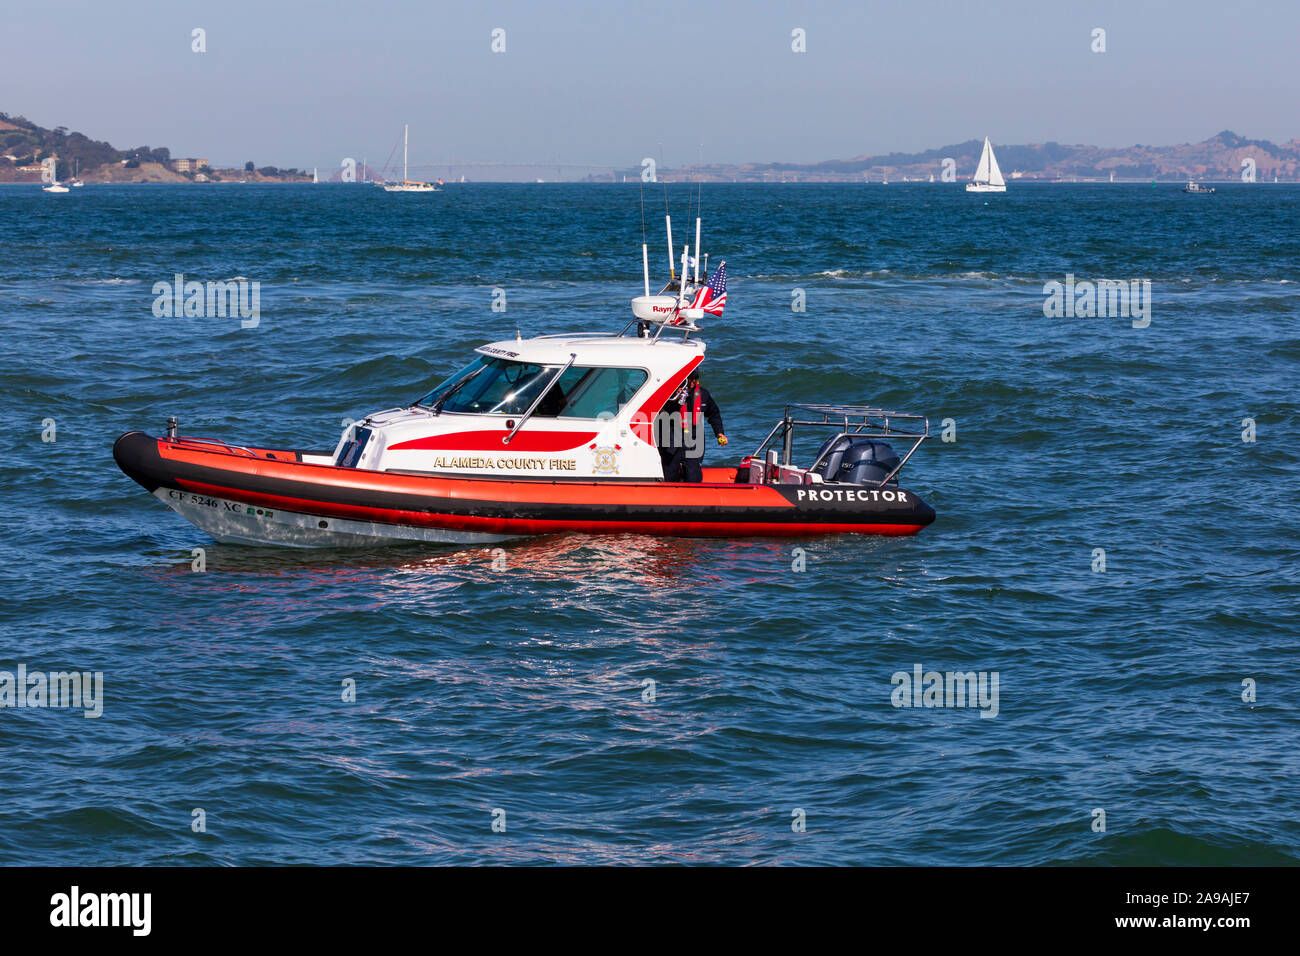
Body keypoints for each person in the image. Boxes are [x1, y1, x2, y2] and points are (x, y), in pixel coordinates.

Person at [658, 370, 727, 482]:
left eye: (696, 377)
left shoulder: (703, 394)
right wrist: (675, 398)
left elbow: (714, 414)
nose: (693, 381)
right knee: (670, 475)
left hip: (693, 441)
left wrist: (719, 433)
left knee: (693, 477)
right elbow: (658, 413)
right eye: (690, 377)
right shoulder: (670, 394)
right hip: (671, 439)